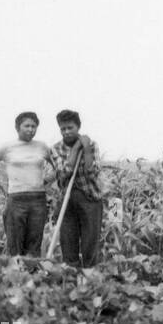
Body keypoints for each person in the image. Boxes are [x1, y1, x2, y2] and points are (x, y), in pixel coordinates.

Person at [0, 112, 59, 256]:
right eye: (27, 125)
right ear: (17, 127)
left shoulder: (42, 146)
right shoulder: (7, 147)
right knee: (15, 244)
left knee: (34, 243)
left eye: (34, 126)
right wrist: (2, 185)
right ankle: (15, 275)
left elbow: (59, 168)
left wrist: (46, 180)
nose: (30, 129)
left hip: (38, 200)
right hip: (16, 200)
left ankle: (32, 276)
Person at [52, 110, 106, 268]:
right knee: (68, 244)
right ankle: (70, 281)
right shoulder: (56, 149)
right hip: (67, 202)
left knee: (90, 244)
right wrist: (75, 150)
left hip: (90, 199)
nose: (66, 132)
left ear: (78, 127)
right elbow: (63, 173)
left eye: (70, 128)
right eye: (63, 129)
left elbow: (92, 172)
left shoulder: (91, 145)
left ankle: (90, 280)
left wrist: (86, 150)